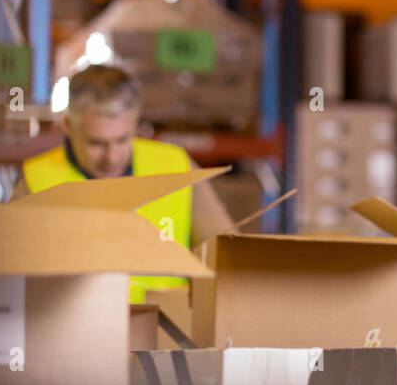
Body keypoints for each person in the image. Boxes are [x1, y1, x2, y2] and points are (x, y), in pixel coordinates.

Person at [14, 64, 233, 308]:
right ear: (67, 126)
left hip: (166, 334)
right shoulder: (37, 180)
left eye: (122, 139)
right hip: (74, 333)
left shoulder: (176, 166)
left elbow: (227, 257)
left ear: (136, 124)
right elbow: (9, 276)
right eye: (96, 143)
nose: (112, 157)